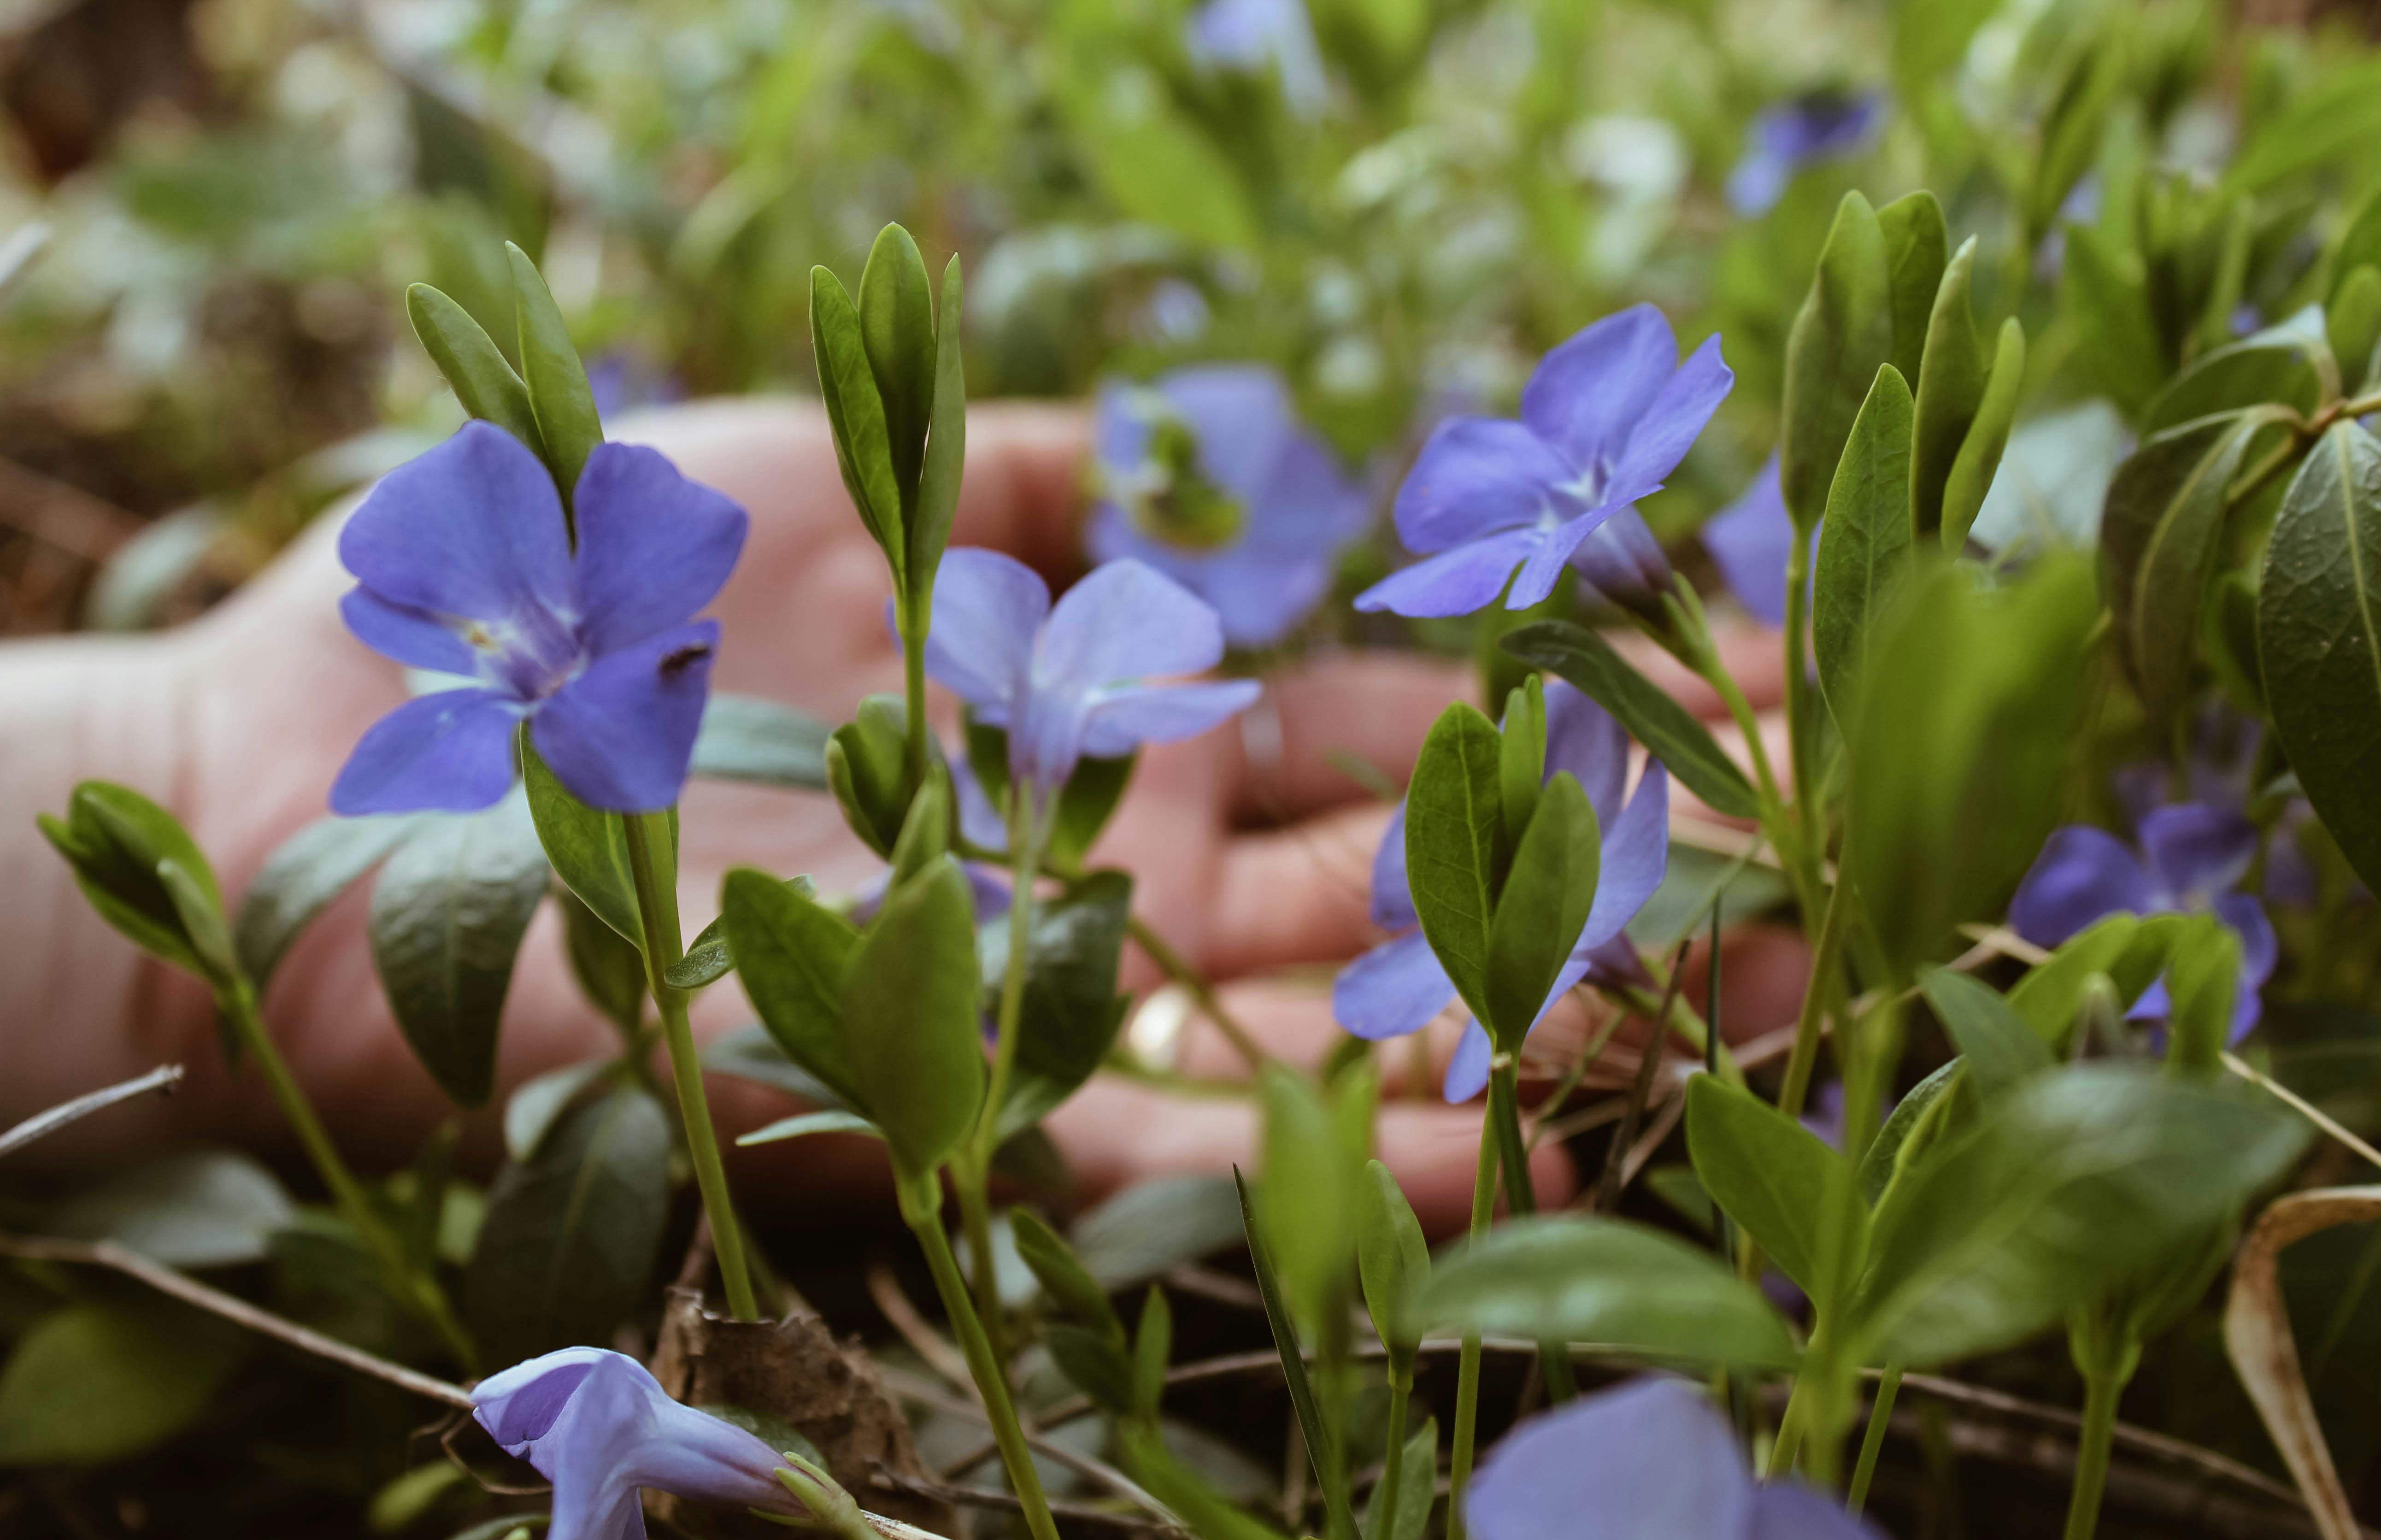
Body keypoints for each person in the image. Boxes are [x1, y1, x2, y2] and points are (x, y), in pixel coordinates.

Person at [0, 399, 1805, 1232]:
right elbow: (557, 733)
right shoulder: (448, 759)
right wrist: (190, 782)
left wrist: (185, 772)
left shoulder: (620, 631)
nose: (532, 655)